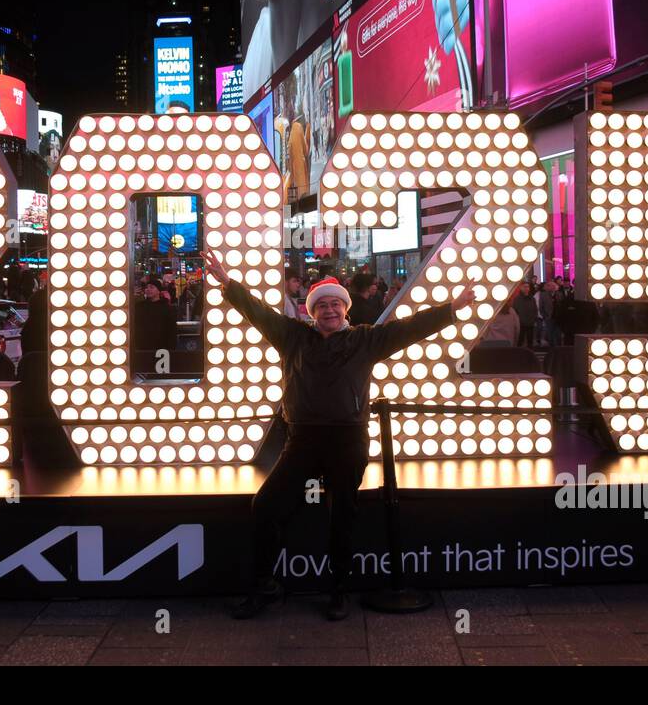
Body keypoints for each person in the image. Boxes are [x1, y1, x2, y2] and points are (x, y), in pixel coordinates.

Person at [202, 249, 475, 621]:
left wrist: (451, 308)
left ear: (345, 309)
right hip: (302, 439)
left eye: (335, 304)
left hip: (348, 439)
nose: (329, 310)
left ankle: (337, 590)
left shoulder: (366, 339)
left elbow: (410, 328)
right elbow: (258, 312)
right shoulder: (293, 337)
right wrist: (227, 283)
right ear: (311, 312)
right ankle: (265, 585)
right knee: (265, 505)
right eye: (321, 306)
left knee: (341, 514)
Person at [511, 281, 537, 348]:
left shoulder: (532, 299)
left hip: (530, 323)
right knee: (520, 341)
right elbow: (514, 311)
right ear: (521, 288)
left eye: (528, 287)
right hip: (521, 323)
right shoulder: (517, 299)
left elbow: (535, 309)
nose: (526, 288)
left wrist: (534, 319)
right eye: (525, 287)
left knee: (530, 341)